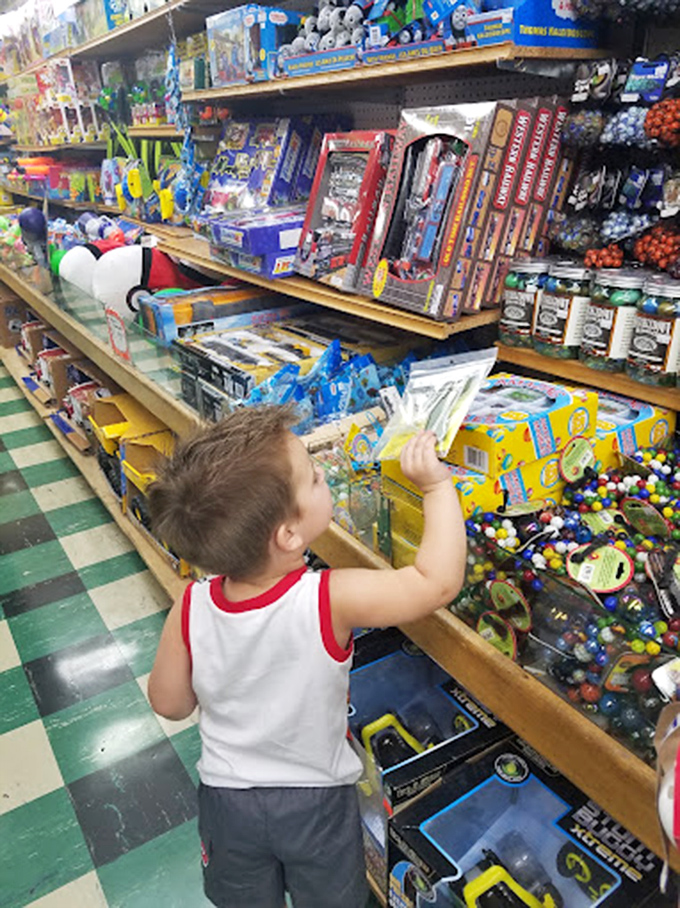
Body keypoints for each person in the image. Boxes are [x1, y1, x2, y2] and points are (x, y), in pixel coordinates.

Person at [147, 405, 466, 908]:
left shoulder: (191, 604)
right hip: (315, 800)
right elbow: (435, 583)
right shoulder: (326, 598)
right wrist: (437, 488)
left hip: (226, 800)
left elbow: (169, 703)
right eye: (315, 477)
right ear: (289, 534)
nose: (324, 477)